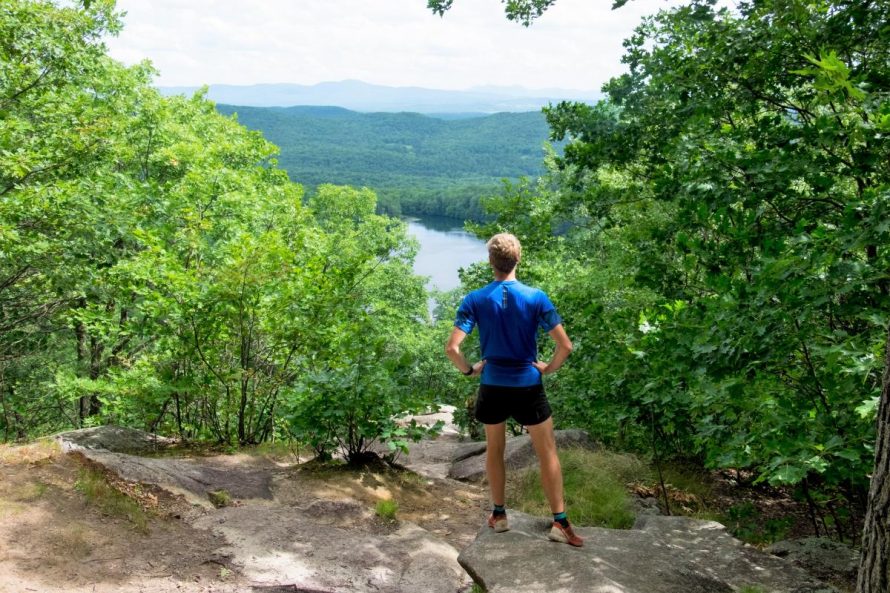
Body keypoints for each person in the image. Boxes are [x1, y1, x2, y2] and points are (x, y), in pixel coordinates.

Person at [444, 232, 583, 547]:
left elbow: (452, 348)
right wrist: (548, 368)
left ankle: (499, 515)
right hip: (527, 386)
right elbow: (565, 345)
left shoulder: (475, 299)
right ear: (518, 259)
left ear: (491, 262)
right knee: (547, 452)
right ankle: (559, 523)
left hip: (492, 385)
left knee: (495, 450)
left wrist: (470, 369)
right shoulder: (536, 298)